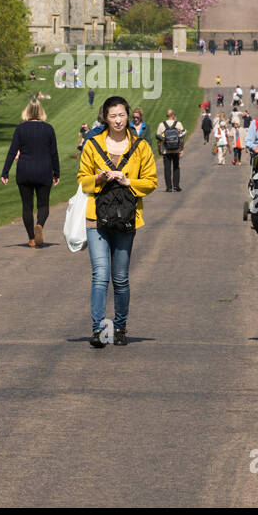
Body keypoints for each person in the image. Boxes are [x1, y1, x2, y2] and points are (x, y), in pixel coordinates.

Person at [78, 96, 158, 347]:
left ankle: (120, 327)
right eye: (112, 116)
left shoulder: (141, 146)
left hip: (126, 218)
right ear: (105, 117)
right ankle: (100, 330)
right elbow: (82, 180)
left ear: (128, 115)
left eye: (121, 115)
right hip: (96, 216)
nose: (118, 120)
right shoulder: (92, 145)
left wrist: (127, 181)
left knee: (120, 277)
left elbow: (151, 182)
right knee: (100, 274)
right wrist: (99, 178)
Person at [1, 99, 61, 248]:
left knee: (27, 206)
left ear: (26, 111)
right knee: (43, 204)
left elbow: (12, 151)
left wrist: (5, 172)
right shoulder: (49, 129)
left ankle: (31, 238)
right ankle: (39, 224)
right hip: (44, 170)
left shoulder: (20, 129)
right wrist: (57, 173)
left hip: (24, 170)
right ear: (41, 112)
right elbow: (54, 153)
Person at [155, 108, 187, 192]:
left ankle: (169, 187)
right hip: (176, 150)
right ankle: (176, 185)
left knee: (167, 168)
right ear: (173, 115)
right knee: (176, 167)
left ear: (167, 116)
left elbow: (158, 139)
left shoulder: (162, 125)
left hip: (166, 150)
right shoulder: (178, 124)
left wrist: (159, 150)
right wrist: (182, 149)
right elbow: (182, 138)